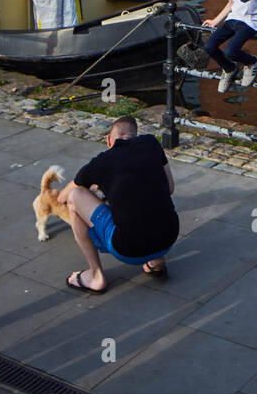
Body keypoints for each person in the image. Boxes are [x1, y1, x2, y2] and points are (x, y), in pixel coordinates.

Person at [56, 116, 179, 294]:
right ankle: (157, 261)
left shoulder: (101, 162)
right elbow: (170, 188)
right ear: (135, 137)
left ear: (108, 140)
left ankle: (95, 275)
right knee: (150, 196)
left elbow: (63, 198)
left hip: (127, 249)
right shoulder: (150, 143)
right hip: (169, 238)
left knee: (76, 196)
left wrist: (98, 189)